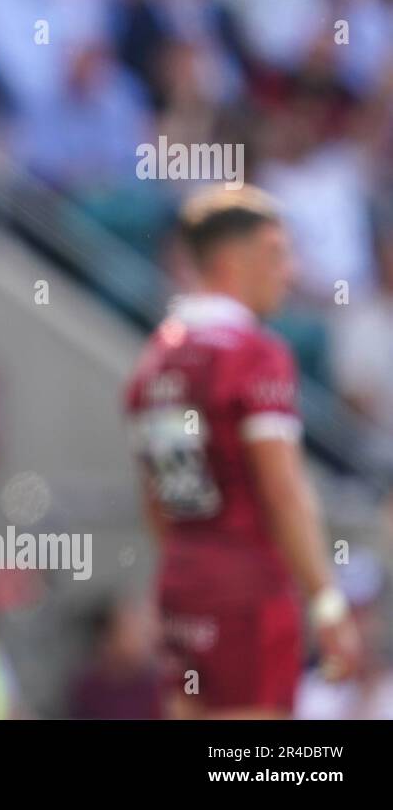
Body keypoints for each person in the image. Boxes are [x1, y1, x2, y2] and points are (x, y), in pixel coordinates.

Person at [124, 184, 360, 718]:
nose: (290, 271)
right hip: (247, 589)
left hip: (182, 582)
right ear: (232, 260)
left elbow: (159, 499)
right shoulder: (255, 356)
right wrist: (326, 600)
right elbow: (283, 490)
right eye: (276, 253)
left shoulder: (156, 361)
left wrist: (193, 567)